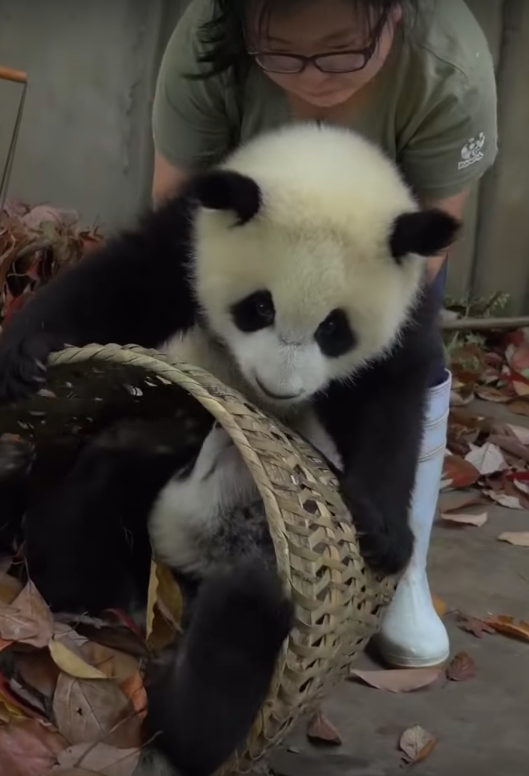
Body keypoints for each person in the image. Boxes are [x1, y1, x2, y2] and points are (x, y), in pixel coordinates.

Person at [151, 0, 498, 668]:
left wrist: (326, 372)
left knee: (410, 356)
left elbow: (424, 257)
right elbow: (176, 215)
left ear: (397, 12)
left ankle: (399, 558)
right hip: (252, 252)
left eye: (341, 50)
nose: (312, 76)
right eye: (281, 52)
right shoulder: (208, 38)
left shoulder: (449, 67)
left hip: (368, 265)